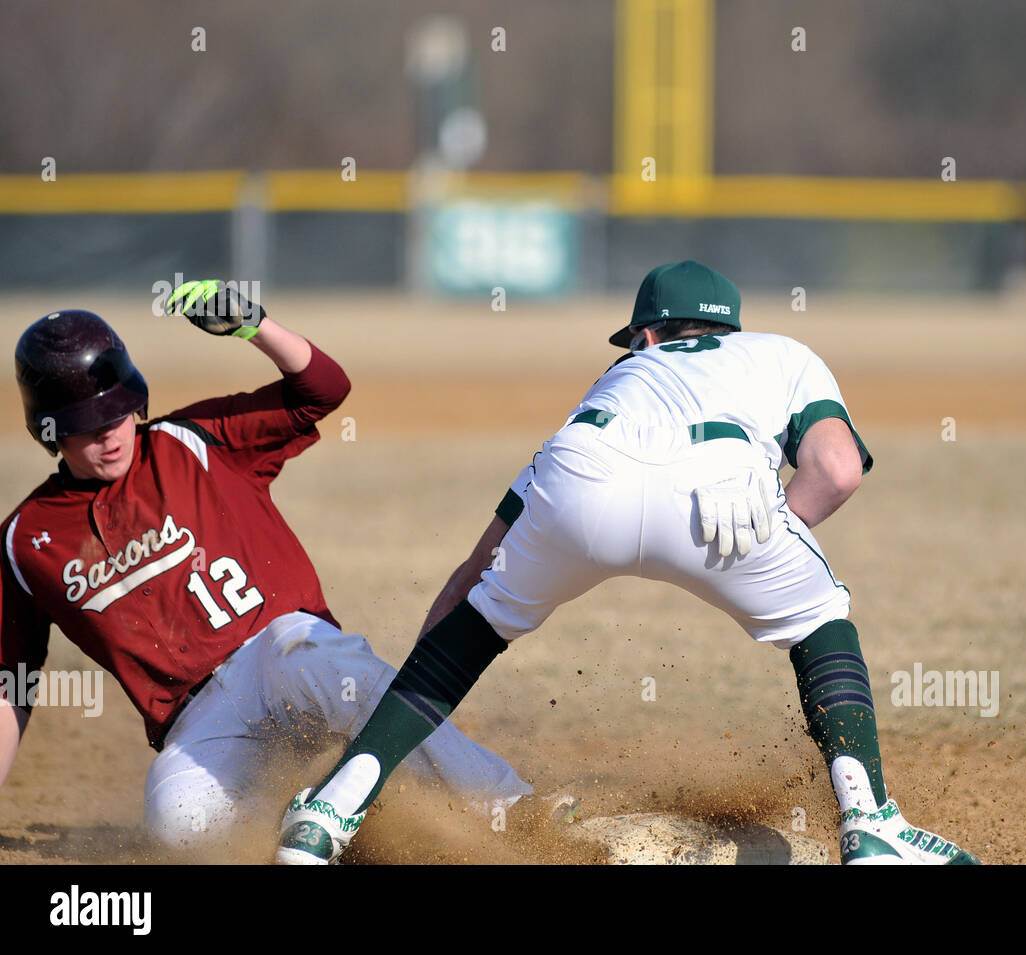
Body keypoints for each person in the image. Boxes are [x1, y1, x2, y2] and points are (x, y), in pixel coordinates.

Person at [276, 260, 979, 866]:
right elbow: (839, 467)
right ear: (728, 328)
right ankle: (870, 820)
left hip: (584, 470)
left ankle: (333, 808)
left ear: (646, 335)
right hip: (721, 480)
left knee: (482, 618)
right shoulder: (780, 353)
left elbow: (472, 570)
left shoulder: (614, 382)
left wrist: (422, 676)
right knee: (821, 617)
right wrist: (774, 526)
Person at [0, 282, 531, 858]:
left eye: (118, 413)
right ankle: (320, 823)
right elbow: (9, 684)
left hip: (278, 654)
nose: (109, 435)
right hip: (197, 719)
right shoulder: (26, 540)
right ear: (47, 431)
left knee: (319, 657)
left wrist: (257, 327)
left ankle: (508, 806)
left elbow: (323, 389)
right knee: (178, 829)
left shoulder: (191, 440)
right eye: (86, 425)